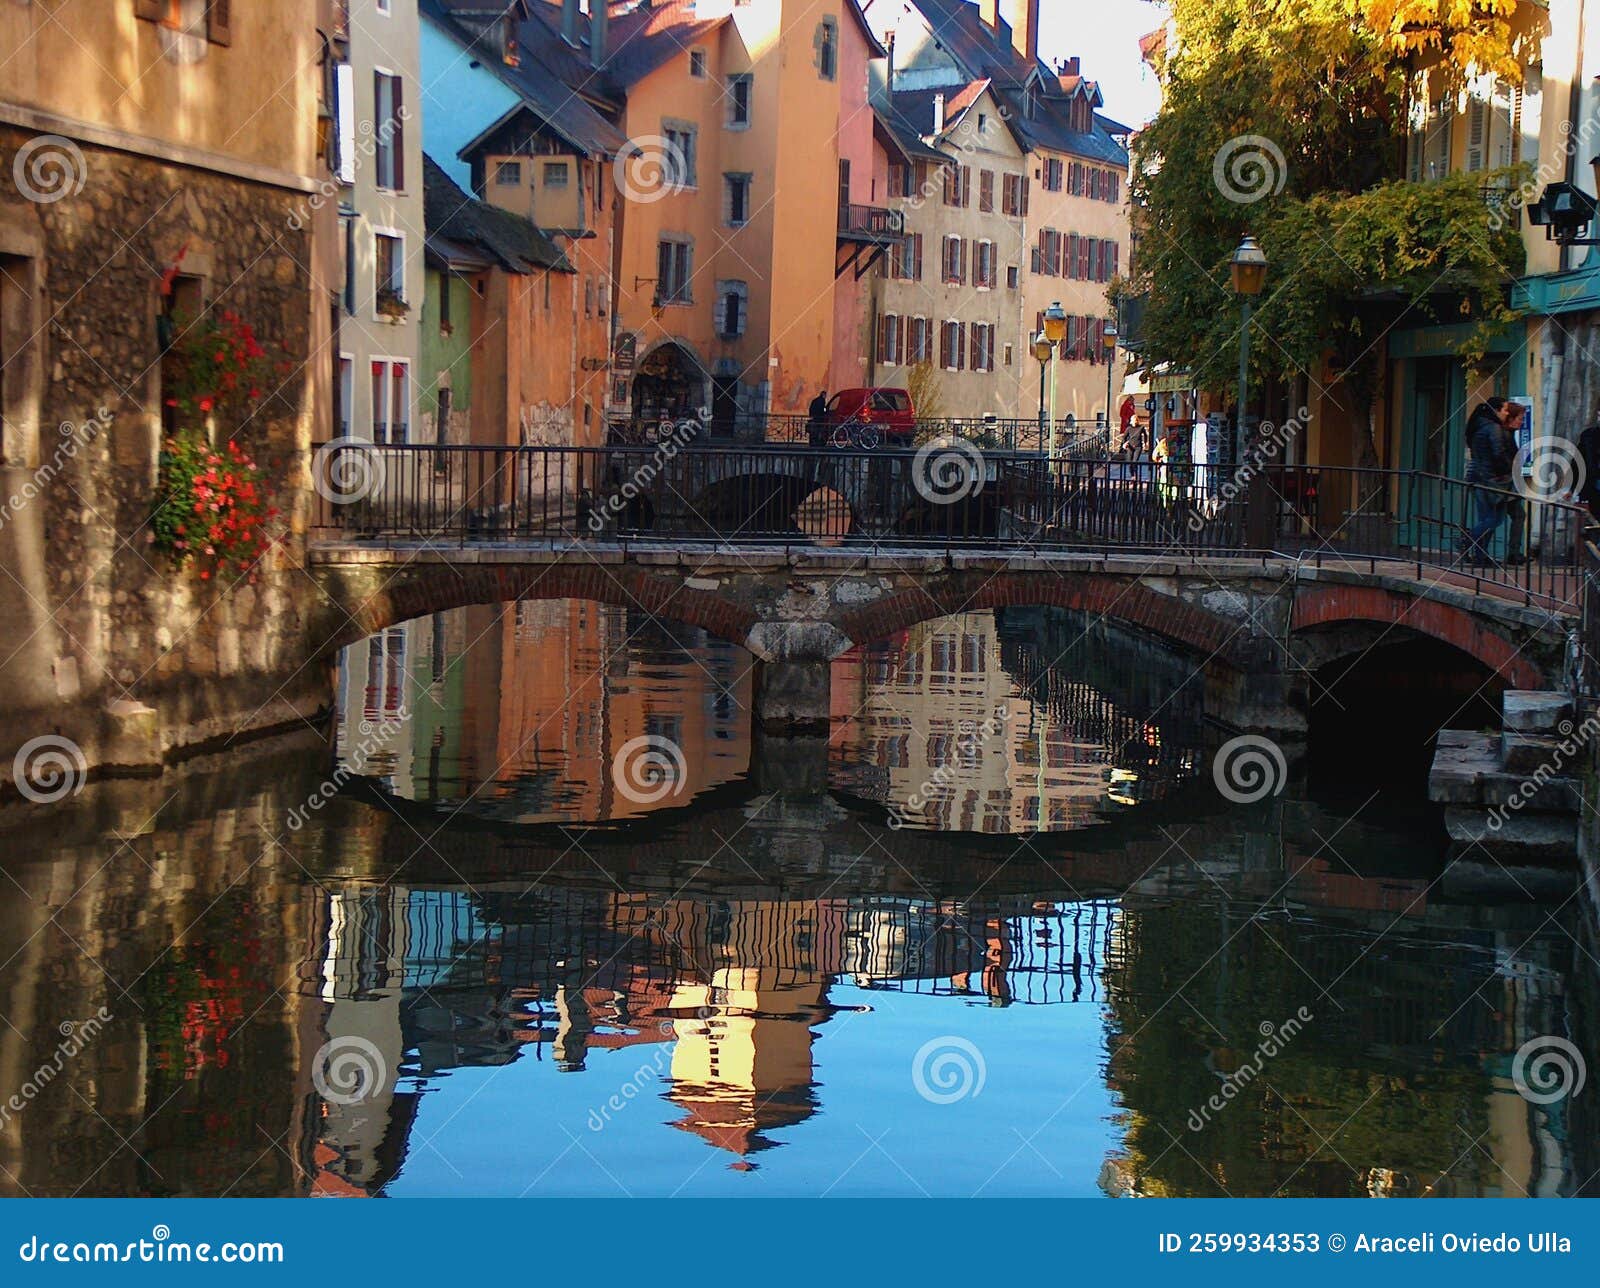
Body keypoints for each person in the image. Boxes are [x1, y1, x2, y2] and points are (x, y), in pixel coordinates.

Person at [1461, 396, 1515, 564]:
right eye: (1505, 409)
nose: (1507, 413)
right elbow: (1498, 453)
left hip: (1478, 476)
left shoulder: (1478, 426)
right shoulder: (1493, 428)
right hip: (1490, 478)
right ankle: (1466, 541)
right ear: (1496, 410)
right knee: (1494, 519)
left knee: (1486, 518)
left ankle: (1480, 556)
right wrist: (1508, 468)